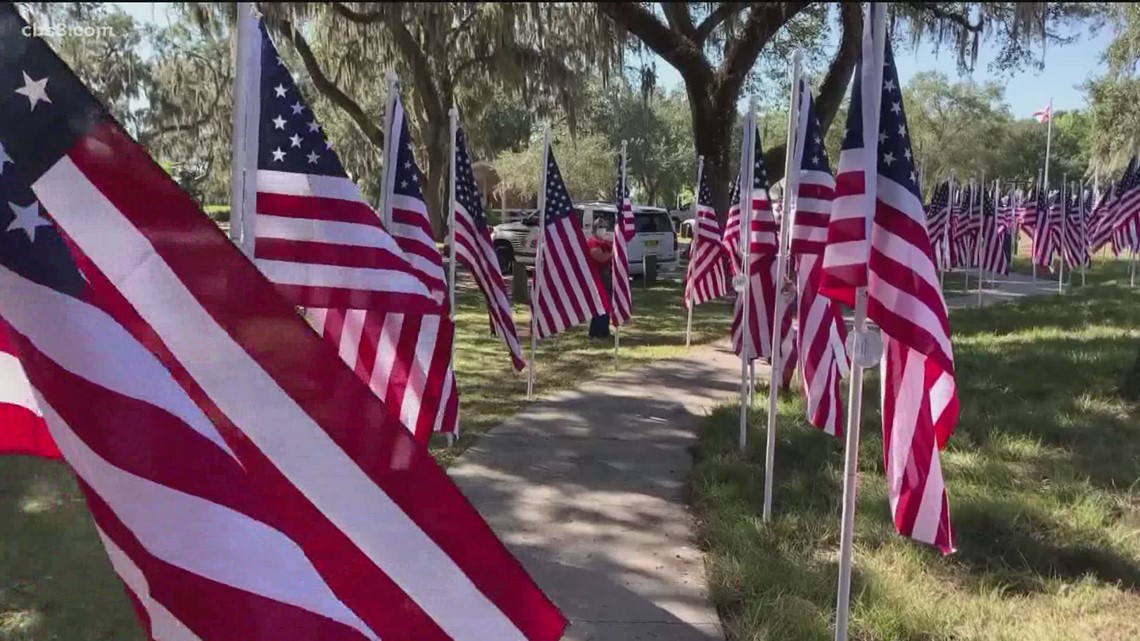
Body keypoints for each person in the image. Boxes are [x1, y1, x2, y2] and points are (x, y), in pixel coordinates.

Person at [587, 218, 613, 339]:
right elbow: (600, 257)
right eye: (600, 226)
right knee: (599, 304)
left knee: (607, 304)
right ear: (594, 228)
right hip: (598, 276)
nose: (602, 229)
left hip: (607, 275)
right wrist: (612, 253)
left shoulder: (606, 243)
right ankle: (595, 332)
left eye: (604, 226)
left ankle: (604, 331)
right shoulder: (592, 242)